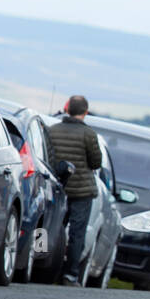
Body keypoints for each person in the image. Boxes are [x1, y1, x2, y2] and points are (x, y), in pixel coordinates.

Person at [47, 96, 103, 285]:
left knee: (47, 228)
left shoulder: (52, 130)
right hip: (81, 191)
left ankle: (41, 263)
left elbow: (48, 157)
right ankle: (70, 274)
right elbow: (96, 162)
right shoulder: (89, 134)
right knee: (76, 234)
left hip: (57, 188)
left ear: (66, 108)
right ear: (85, 112)